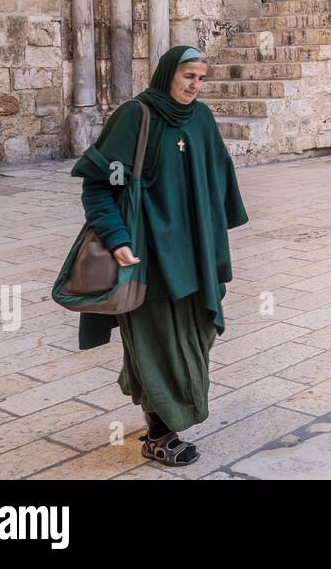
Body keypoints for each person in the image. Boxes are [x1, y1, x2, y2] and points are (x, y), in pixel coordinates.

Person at [72, 45, 248, 465]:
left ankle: (159, 410)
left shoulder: (201, 119)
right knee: (155, 342)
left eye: (201, 78)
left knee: (193, 337)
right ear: (168, 72)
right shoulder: (135, 116)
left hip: (194, 257)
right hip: (146, 258)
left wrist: (212, 240)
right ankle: (159, 434)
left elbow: (218, 174)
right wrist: (117, 238)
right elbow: (99, 184)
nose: (195, 85)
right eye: (188, 75)